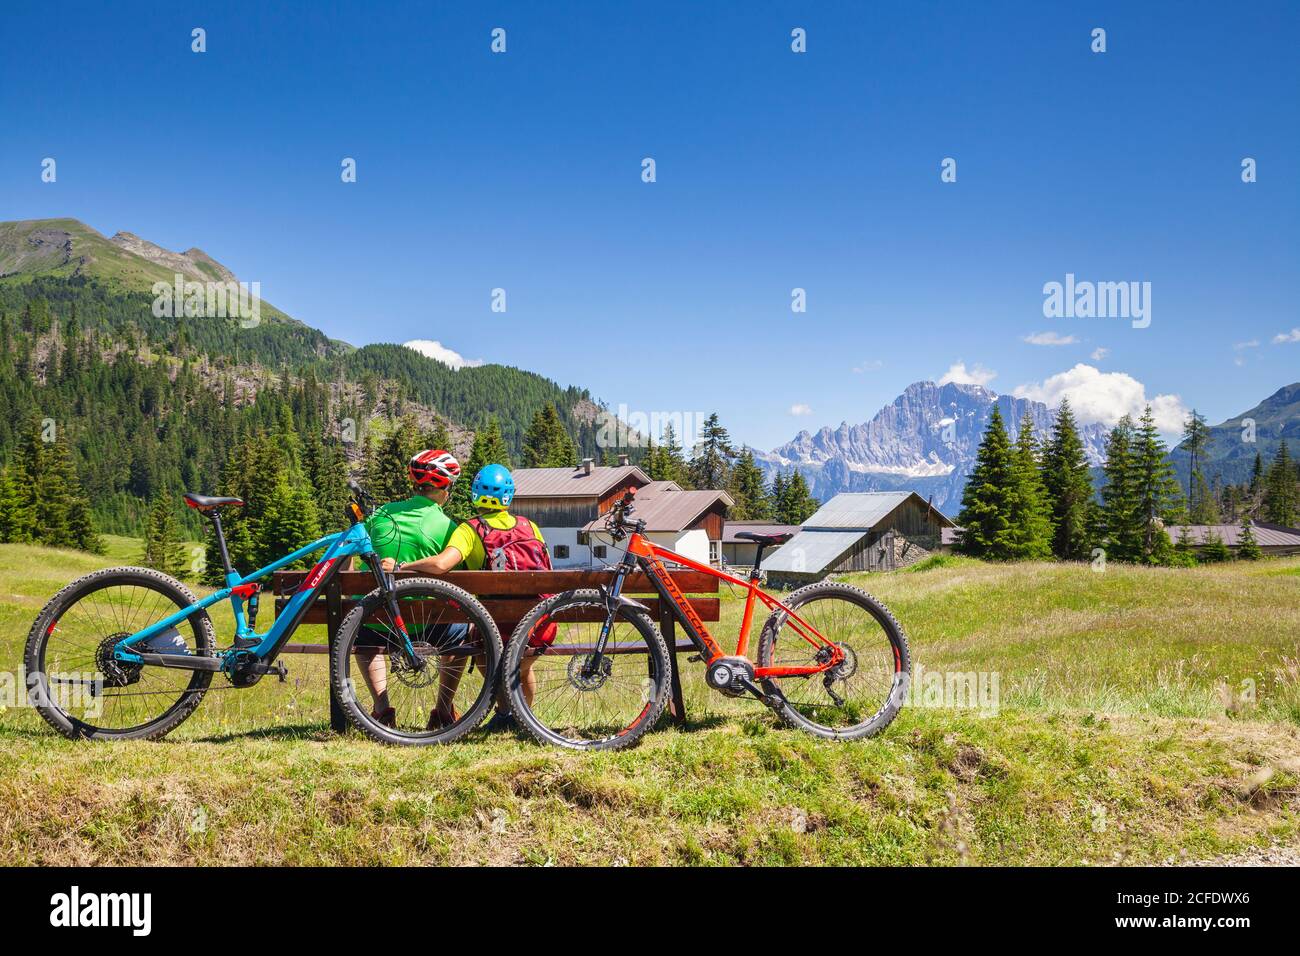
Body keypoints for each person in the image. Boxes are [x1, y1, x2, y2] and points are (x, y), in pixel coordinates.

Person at [378, 463, 555, 730]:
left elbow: (441, 565)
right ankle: (523, 719)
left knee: (485, 653)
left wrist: (402, 567)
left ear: (474, 494)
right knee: (522, 665)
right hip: (537, 626)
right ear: (509, 495)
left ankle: (507, 713)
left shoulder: (470, 530)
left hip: (494, 629)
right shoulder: (530, 527)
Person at [352, 448, 465, 730]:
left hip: (376, 624)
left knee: (366, 641)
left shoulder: (380, 516)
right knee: (462, 633)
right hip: (429, 626)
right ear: (444, 488)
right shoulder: (448, 526)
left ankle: (382, 710)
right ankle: (442, 711)